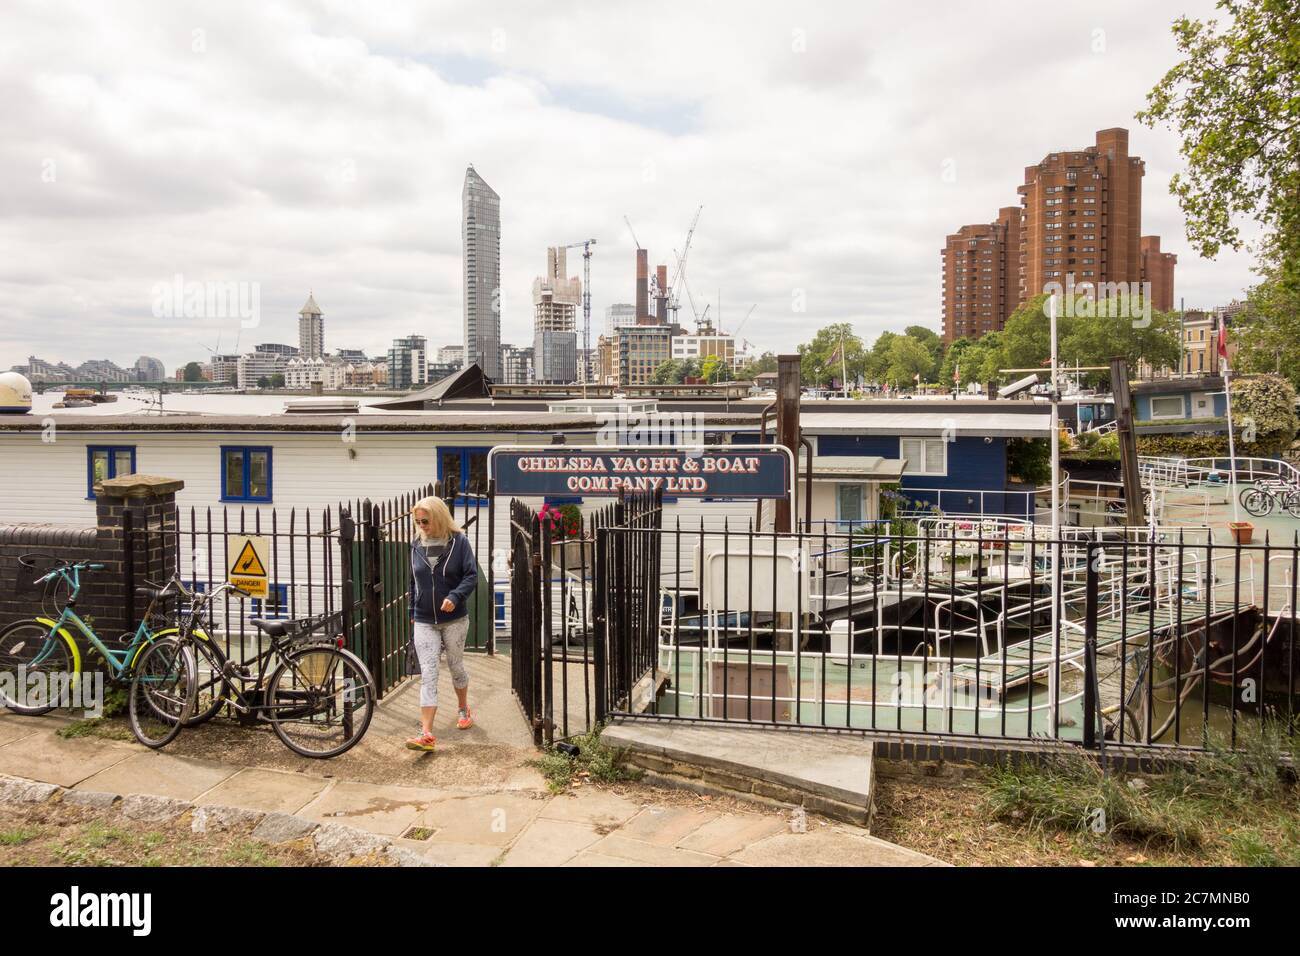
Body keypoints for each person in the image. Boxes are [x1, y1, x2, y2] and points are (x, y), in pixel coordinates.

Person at [405, 495, 478, 752]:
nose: (422, 525)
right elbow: (413, 581)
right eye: (418, 521)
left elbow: (471, 575)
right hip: (424, 620)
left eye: (426, 520)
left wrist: (455, 596)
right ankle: (426, 733)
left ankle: (462, 708)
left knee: (455, 665)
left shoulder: (459, 543)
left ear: (439, 517)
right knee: (429, 673)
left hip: (454, 619)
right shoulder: (415, 545)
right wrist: (412, 610)